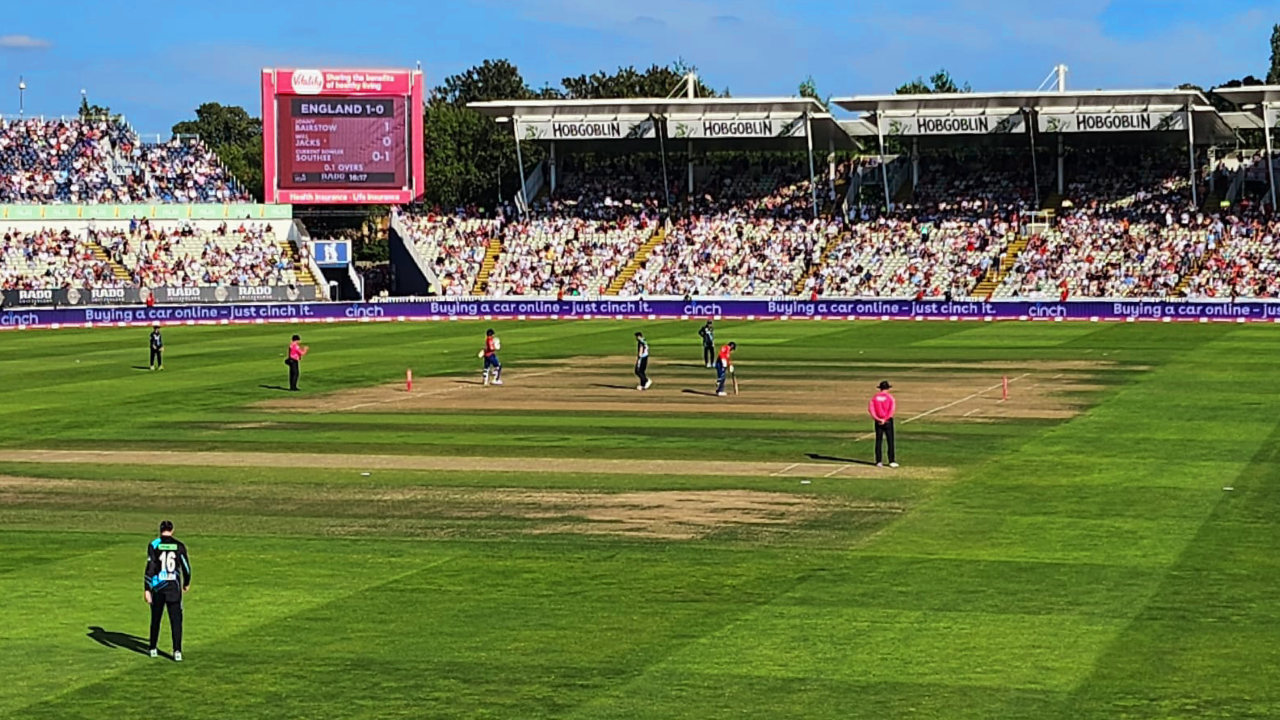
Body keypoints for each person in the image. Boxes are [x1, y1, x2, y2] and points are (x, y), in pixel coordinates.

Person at [144, 520, 191, 662]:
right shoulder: (179, 545)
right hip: (173, 588)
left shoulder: (154, 545)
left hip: (158, 588)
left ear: (160, 530)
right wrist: (186, 582)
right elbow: (186, 567)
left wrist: (147, 588)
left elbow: (150, 567)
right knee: (176, 621)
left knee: (156, 619)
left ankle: (153, 648)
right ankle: (177, 651)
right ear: (172, 530)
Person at [869, 381, 898, 468]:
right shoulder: (890, 398)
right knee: (890, 441)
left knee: (878, 441)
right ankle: (891, 461)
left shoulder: (875, 398)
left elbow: (871, 409)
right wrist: (885, 419)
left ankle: (878, 461)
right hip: (888, 421)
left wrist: (878, 419)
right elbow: (891, 410)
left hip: (878, 421)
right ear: (888, 388)